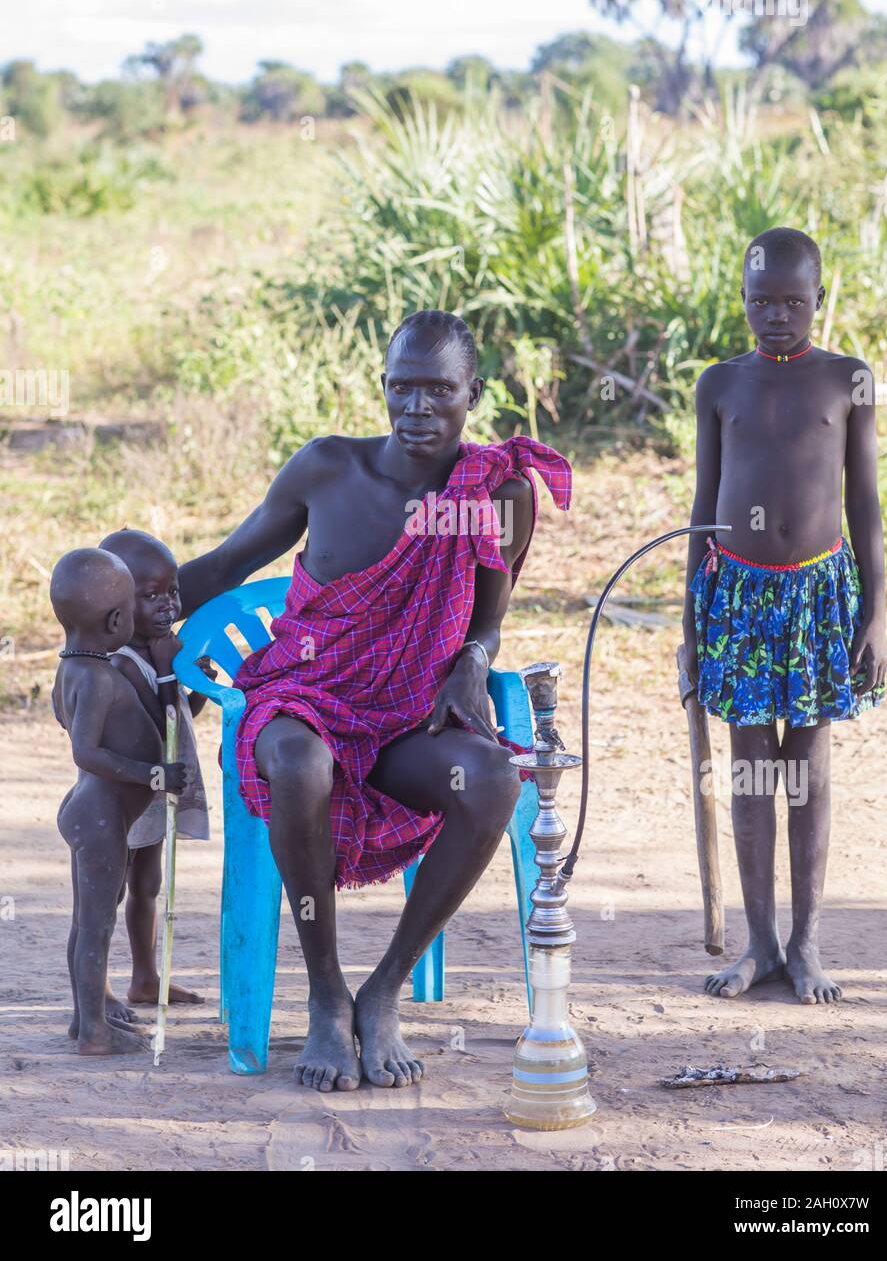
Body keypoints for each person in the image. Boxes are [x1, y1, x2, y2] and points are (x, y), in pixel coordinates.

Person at [178, 309, 571, 1090]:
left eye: (439, 391)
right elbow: (225, 564)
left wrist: (474, 659)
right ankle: (325, 993)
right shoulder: (328, 470)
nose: (418, 408)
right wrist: (133, 613)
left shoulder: (492, 491)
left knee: (490, 778)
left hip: (405, 719)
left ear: (474, 393)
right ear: (382, 387)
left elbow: (488, 622)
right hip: (304, 695)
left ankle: (382, 987)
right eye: (403, 388)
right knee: (297, 760)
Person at [683, 227, 886, 1006]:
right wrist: (689, 627)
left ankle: (804, 945)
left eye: (791, 302)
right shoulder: (719, 386)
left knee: (807, 772)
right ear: (740, 300)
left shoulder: (847, 380)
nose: (775, 315)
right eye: (760, 301)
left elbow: (863, 504)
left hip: (818, 594)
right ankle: (758, 945)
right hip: (733, 593)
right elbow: (702, 509)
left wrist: (876, 615)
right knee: (747, 773)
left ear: (818, 301)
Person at [51, 548, 187, 1055]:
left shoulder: (76, 669)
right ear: (116, 620)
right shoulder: (97, 677)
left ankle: (83, 1020)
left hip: (96, 811)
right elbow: (85, 751)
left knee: (89, 919)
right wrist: (154, 774)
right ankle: (94, 1033)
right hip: (100, 815)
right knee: (95, 926)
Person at [99, 529, 211, 1008]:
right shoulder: (121, 662)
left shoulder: (159, 649)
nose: (167, 604)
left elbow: (181, 715)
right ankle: (97, 987)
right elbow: (158, 723)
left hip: (156, 789)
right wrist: (168, 672)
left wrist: (197, 687)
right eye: (150, 596)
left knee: (149, 881)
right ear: (118, 607)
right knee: (111, 888)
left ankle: (145, 978)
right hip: (126, 792)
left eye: (173, 591)